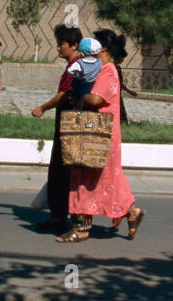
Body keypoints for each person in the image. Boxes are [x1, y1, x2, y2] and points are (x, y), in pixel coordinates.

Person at [57, 34, 145, 243]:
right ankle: (130, 212)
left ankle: (82, 228)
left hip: (97, 135)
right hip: (99, 133)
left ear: (103, 49)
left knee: (85, 177)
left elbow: (96, 98)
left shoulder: (107, 70)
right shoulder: (100, 69)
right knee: (105, 180)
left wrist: (77, 95)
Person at [31, 23, 82, 233]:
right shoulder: (75, 64)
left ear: (74, 45)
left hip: (69, 123)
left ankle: (61, 217)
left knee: (61, 172)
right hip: (67, 122)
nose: (58, 48)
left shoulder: (75, 66)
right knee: (62, 171)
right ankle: (60, 215)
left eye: (61, 44)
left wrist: (42, 108)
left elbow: (63, 95)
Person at [92, 28, 131, 127]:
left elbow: (95, 100)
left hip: (105, 128)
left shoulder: (108, 70)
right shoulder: (104, 68)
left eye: (94, 43)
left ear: (103, 48)